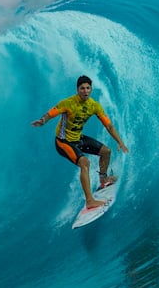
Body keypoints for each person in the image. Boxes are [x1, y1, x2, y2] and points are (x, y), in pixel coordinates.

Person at [31, 75, 129, 210]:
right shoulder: (68, 103)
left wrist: (120, 142)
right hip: (63, 142)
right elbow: (51, 113)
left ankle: (103, 181)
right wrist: (42, 121)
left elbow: (109, 126)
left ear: (91, 89)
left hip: (78, 139)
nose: (85, 91)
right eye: (82, 88)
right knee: (85, 163)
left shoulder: (94, 105)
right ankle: (90, 201)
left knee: (106, 152)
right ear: (77, 89)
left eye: (88, 88)